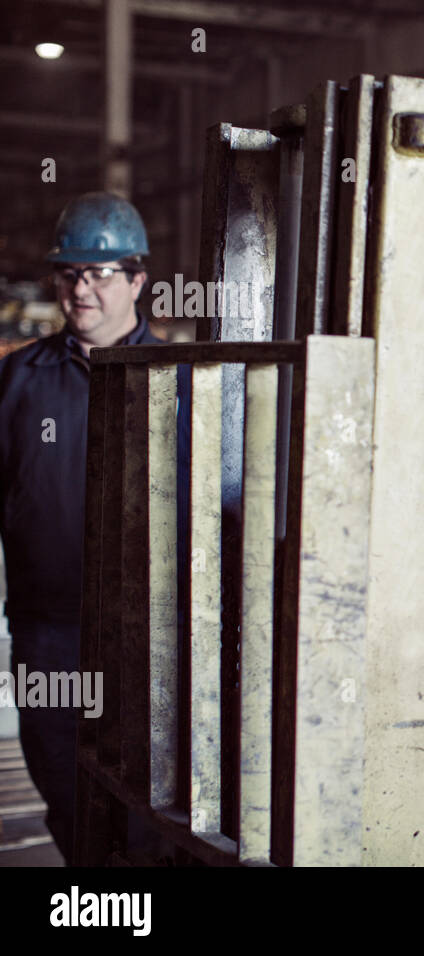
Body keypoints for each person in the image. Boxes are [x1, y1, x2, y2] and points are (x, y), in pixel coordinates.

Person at [0, 191, 163, 860]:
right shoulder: (18, 380)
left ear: (137, 280)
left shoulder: (178, 379)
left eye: (99, 272)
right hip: (49, 632)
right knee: (64, 788)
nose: (81, 288)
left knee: (151, 804)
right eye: (69, 273)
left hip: (152, 635)